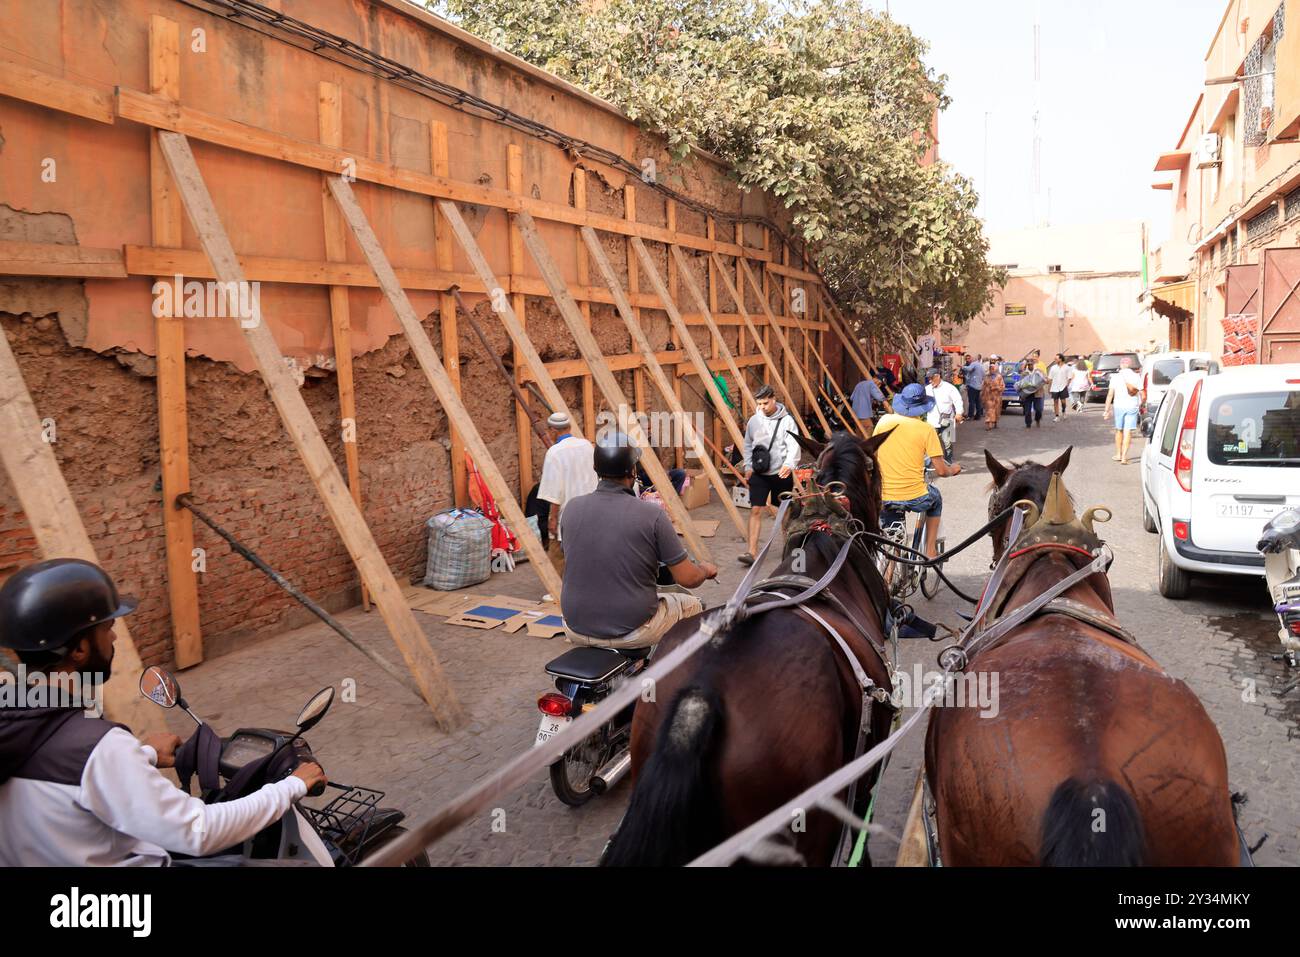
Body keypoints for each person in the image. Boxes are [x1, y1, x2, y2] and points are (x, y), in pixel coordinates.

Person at [0, 559, 326, 866]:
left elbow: (70, 781)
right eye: (107, 627)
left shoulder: (15, 721)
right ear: (80, 649)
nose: (114, 636)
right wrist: (291, 786)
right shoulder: (99, 746)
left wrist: (143, 755)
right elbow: (200, 832)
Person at [560, 430, 717, 647]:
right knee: (693, 604)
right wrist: (705, 570)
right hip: (632, 626)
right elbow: (688, 579)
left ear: (596, 469)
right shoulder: (651, 515)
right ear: (633, 470)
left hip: (574, 624)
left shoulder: (571, 509)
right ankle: (676, 674)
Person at [872, 383, 962, 559]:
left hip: (884, 494)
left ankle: (890, 574)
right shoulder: (926, 429)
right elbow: (942, 470)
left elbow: (874, 452)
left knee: (894, 535)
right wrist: (953, 469)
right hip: (916, 496)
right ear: (922, 408)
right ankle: (930, 550)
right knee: (936, 499)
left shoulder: (884, 421)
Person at [739, 384, 801, 566]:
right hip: (759, 472)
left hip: (780, 473)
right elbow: (748, 444)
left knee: (783, 511)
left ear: (774, 399)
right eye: (759, 404)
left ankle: (788, 548)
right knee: (755, 509)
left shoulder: (787, 421)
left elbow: (794, 444)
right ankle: (751, 552)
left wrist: (789, 464)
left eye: (765, 403)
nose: (762, 407)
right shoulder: (754, 421)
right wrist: (748, 465)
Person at [536, 411, 597, 576]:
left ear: (553, 431)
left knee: (558, 554)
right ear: (569, 427)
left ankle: (558, 591)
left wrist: (553, 518)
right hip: (591, 509)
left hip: (568, 513)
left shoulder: (555, 452)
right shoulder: (586, 445)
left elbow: (554, 492)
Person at [1103, 355, 1143, 465]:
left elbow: (1110, 395)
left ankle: (1118, 454)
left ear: (1121, 365)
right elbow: (1141, 392)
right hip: (1132, 406)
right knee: (1128, 432)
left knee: (1119, 430)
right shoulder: (1136, 376)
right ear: (1130, 365)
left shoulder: (1115, 377)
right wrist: (1142, 404)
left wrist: (1107, 410)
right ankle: (1125, 457)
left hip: (1119, 406)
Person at [924, 368, 964, 464]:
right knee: (930, 444)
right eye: (928, 379)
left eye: (931, 378)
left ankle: (949, 462)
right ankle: (927, 465)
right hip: (932, 421)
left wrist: (959, 413)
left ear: (938, 376)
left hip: (948, 420)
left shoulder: (949, 388)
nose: (930, 381)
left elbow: (957, 400)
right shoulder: (927, 389)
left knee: (948, 443)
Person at [1017, 359, 1045, 428]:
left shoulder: (1038, 372)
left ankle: (1037, 419)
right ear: (1027, 365)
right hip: (1027, 394)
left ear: (1034, 364)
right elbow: (1021, 383)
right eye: (1028, 364)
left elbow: (1044, 379)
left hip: (1037, 393)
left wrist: (1045, 380)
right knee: (1027, 411)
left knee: (1039, 409)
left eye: (1031, 364)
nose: (1030, 366)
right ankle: (1028, 424)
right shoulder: (1024, 373)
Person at [981, 357, 1005, 431]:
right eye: (990, 368)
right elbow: (983, 386)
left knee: (997, 410)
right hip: (989, 397)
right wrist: (982, 396)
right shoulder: (986, 377)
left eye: (993, 368)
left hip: (997, 397)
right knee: (989, 410)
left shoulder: (999, 377)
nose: (992, 369)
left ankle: (995, 422)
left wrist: (996, 387)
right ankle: (989, 424)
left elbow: (1002, 386)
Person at [1048, 353, 1071, 421]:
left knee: (1063, 402)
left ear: (1060, 359)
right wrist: (1049, 388)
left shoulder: (1067, 367)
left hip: (1063, 387)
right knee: (1055, 401)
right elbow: (1050, 378)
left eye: (1056, 359)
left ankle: (1063, 411)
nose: (1055, 360)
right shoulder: (1053, 368)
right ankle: (1057, 416)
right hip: (1054, 387)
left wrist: (1067, 385)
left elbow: (1069, 377)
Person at [962, 353, 985, 422]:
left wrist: (962, 367)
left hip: (972, 385)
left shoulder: (974, 364)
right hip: (979, 386)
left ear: (973, 359)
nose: (970, 359)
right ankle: (978, 415)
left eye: (971, 358)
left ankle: (970, 415)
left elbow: (969, 369)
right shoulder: (981, 365)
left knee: (971, 401)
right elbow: (984, 375)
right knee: (977, 401)